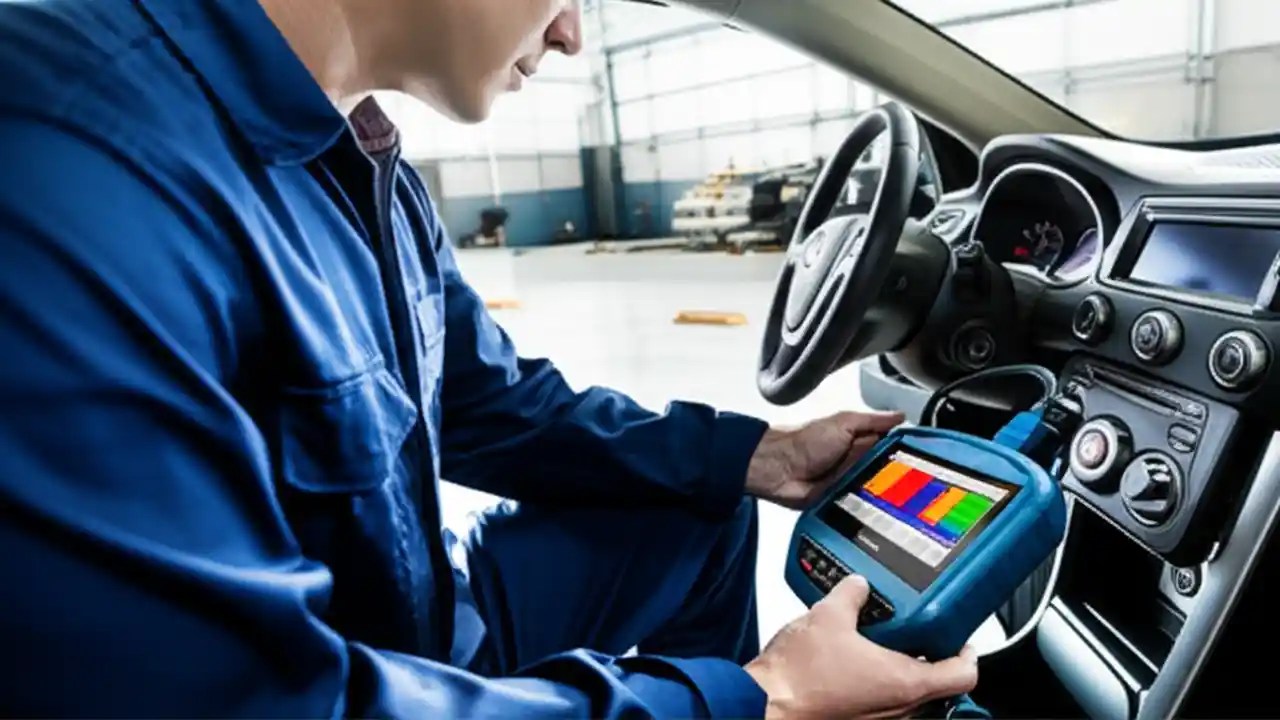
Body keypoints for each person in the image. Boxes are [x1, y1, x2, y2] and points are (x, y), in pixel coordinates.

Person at [0, 0, 978, 717]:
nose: (570, 35)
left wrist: (754, 454)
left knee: (703, 509)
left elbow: (488, 403)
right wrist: (758, 699)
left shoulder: (359, 162)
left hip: (422, 622)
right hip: (329, 677)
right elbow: (246, 700)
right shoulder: (62, 152)